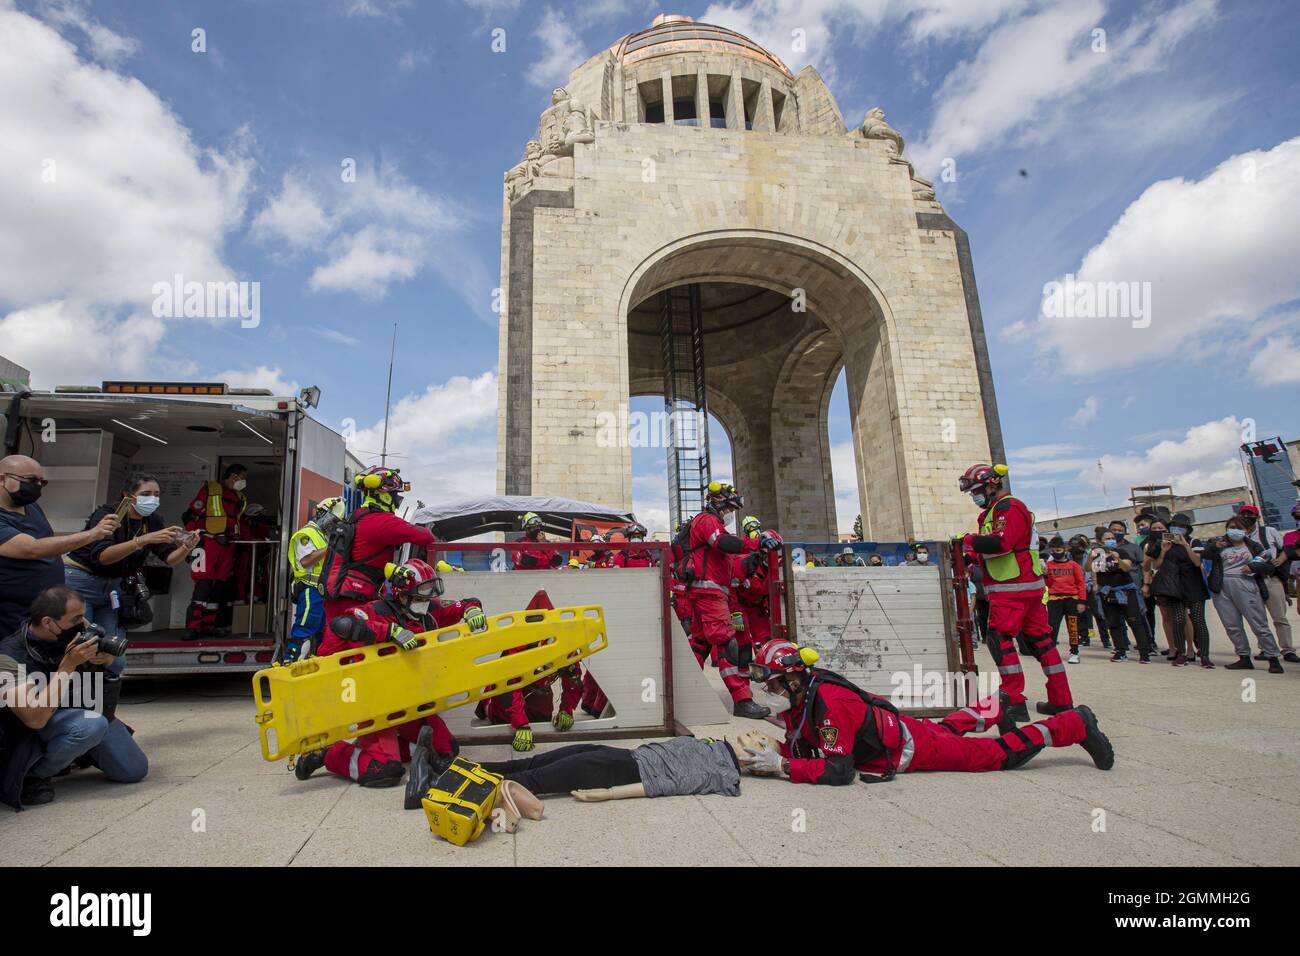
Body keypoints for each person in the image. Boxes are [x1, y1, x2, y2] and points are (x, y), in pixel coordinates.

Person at [737, 638, 1113, 785]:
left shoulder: (829, 705)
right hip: (902, 728)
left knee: (996, 756)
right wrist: (771, 753)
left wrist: (784, 767)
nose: (769, 693)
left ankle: (1073, 723)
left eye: (772, 684)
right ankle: (996, 705)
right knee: (947, 728)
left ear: (794, 678)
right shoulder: (806, 695)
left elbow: (839, 771)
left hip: (909, 749)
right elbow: (804, 742)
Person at [295, 559, 484, 787]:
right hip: (374, 704)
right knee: (383, 771)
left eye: (428, 595)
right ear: (402, 594)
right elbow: (343, 624)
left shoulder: (426, 612)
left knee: (446, 753)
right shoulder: (375, 612)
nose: (426, 601)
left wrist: (472, 610)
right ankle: (328, 753)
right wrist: (389, 632)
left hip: (408, 703)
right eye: (420, 596)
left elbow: (465, 604)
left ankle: (393, 745)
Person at [0, 587, 148, 805]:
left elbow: (112, 662)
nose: (83, 623)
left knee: (133, 770)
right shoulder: (9, 656)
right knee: (92, 725)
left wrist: (104, 657)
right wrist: (68, 665)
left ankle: (76, 750)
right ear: (48, 622)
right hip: (35, 728)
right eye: (76, 618)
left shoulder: (78, 631)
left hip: (83, 707)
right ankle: (34, 775)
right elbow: (34, 719)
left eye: (83, 616)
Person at [957, 463, 1072, 721]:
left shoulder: (1009, 507)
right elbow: (994, 547)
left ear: (991, 484)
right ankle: (1061, 700)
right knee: (1042, 642)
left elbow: (1002, 542)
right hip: (1022, 587)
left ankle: (1013, 699)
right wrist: (970, 555)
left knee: (1000, 640)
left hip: (1012, 589)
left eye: (976, 490)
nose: (974, 497)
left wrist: (966, 540)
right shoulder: (995, 511)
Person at [64, 475, 198, 643]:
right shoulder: (108, 515)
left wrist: (187, 547)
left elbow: (170, 558)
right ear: (128, 496)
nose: (153, 499)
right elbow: (104, 557)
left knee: (113, 648)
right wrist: (143, 540)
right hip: (81, 581)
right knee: (80, 642)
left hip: (113, 586)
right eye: (146, 494)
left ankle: (107, 668)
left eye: (157, 495)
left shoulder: (152, 521)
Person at [683, 481, 777, 720]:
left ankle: (680, 693)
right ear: (718, 502)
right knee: (727, 644)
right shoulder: (706, 521)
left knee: (700, 644)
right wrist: (756, 543)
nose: (728, 514)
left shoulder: (709, 521)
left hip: (708, 591)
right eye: (728, 509)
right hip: (709, 592)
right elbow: (722, 543)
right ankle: (742, 700)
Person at [0, 455, 119, 637]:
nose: (38, 486)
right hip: (10, 615)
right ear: (2, 478)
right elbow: (32, 548)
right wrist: (92, 534)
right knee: (17, 664)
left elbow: (48, 542)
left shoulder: (31, 507)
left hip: (44, 611)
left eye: (42, 482)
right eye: (31, 480)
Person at [321, 466, 436, 625]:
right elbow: (426, 536)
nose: (397, 501)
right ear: (385, 495)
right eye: (395, 495)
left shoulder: (358, 516)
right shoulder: (382, 522)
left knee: (336, 645)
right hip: (354, 601)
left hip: (344, 597)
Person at [1202, 517, 1283, 672]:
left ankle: (1272, 657)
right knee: (1232, 625)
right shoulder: (1219, 544)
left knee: (1259, 623)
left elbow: (1269, 567)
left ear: (1246, 530)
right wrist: (1214, 547)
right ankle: (1243, 656)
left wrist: (1253, 567)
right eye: (1231, 527)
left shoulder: (1254, 546)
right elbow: (1205, 555)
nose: (1235, 530)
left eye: (1239, 528)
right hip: (1222, 585)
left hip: (1246, 584)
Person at [183, 463, 252, 639]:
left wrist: (246, 541)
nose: (243, 482)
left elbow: (239, 522)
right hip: (208, 543)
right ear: (234, 477)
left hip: (228, 545)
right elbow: (191, 516)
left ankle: (208, 625)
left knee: (218, 587)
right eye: (242, 478)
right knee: (203, 585)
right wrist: (193, 540)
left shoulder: (239, 497)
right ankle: (192, 627)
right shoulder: (210, 490)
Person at [283, 496, 344, 663]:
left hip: (321, 590)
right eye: (332, 519)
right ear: (322, 514)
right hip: (310, 589)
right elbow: (306, 561)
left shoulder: (322, 535)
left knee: (321, 631)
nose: (333, 524)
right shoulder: (307, 534)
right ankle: (291, 663)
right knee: (304, 630)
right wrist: (330, 547)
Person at [1145, 514, 1211, 667]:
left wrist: (1185, 544)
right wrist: (1163, 550)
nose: (1177, 529)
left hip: (1193, 584)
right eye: (1174, 526)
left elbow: (1196, 562)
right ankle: (1180, 653)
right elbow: (1156, 566)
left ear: (1187, 529)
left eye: (1181, 527)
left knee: (1198, 620)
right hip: (1174, 585)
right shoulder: (1164, 543)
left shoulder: (1194, 542)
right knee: (1178, 619)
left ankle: (1204, 655)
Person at [1237, 505, 1296, 663]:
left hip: (1270, 578)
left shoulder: (1269, 532)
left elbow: (1285, 548)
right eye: (1244, 515)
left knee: (1279, 617)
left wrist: (1280, 559)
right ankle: (1266, 648)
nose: (1247, 517)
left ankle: (1288, 649)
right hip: (1250, 580)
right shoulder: (1237, 536)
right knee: (1258, 618)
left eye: (1250, 515)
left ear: (1257, 517)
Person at [1090, 530, 1153, 664]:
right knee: (1113, 623)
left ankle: (1144, 652)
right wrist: (1091, 557)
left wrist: (1117, 558)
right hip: (1106, 591)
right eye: (1107, 538)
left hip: (1125, 590)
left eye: (1112, 538)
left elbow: (1127, 568)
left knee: (1135, 621)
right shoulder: (1097, 554)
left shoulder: (1122, 552)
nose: (1111, 540)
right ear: (1100, 541)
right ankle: (1120, 650)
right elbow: (1089, 569)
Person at [1043, 536, 1086, 663]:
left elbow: (1081, 583)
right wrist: (1045, 575)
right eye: (1053, 550)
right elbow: (1048, 584)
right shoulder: (1048, 565)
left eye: (1058, 550)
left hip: (1072, 599)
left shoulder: (1073, 565)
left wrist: (1082, 601)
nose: (1056, 553)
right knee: (1052, 626)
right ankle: (1051, 652)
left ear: (1065, 549)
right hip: (1054, 598)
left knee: (1073, 626)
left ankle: (1074, 652)